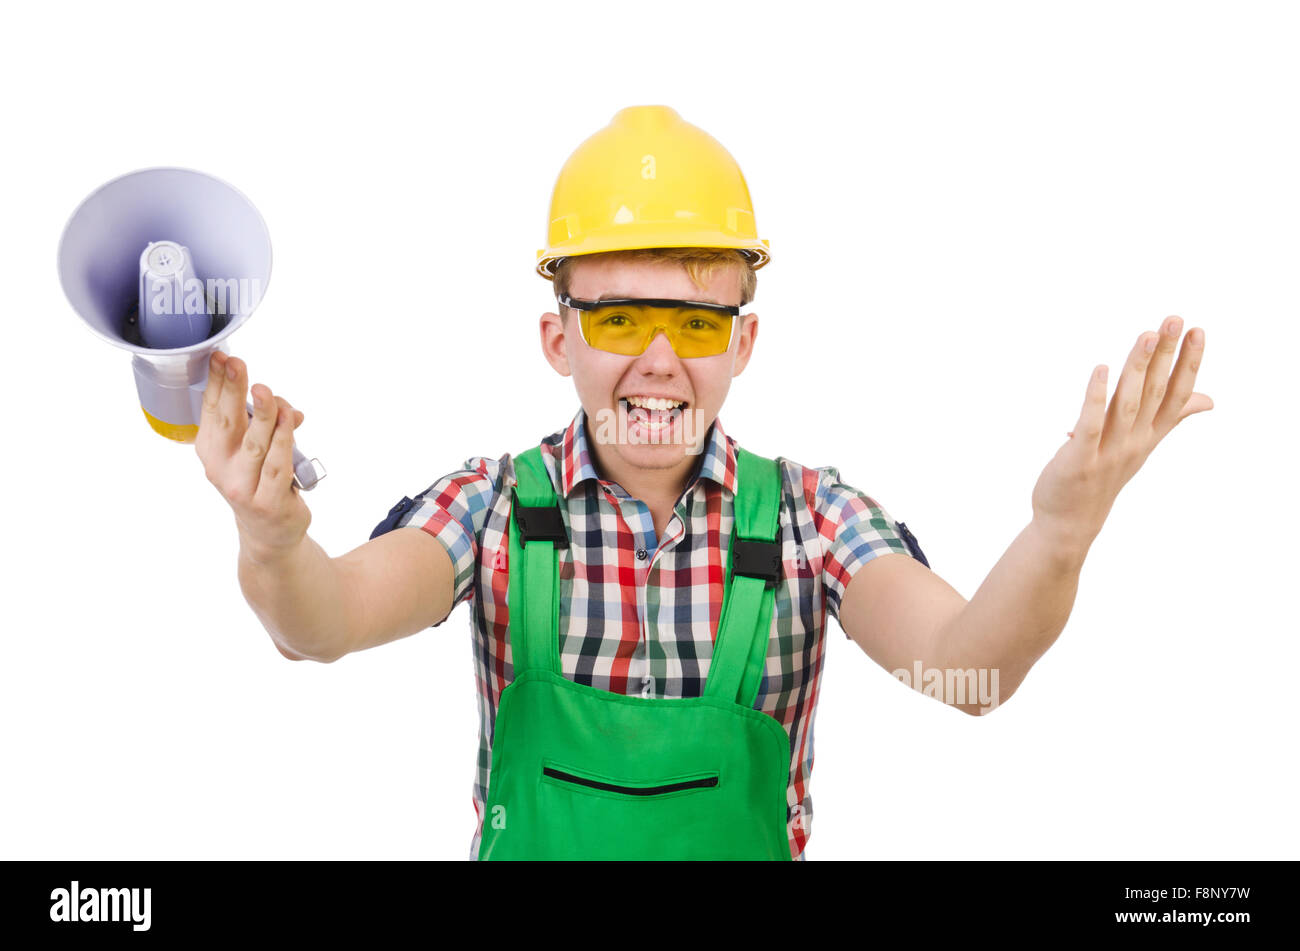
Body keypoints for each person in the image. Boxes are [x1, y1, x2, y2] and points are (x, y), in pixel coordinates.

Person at [195, 105, 1214, 861]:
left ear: (744, 343)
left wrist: (1061, 533)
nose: (656, 361)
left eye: (694, 323)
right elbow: (319, 626)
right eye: (617, 319)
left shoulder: (814, 521)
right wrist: (275, 545)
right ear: (558, 337)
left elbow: (971, 675)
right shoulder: (493, 509)